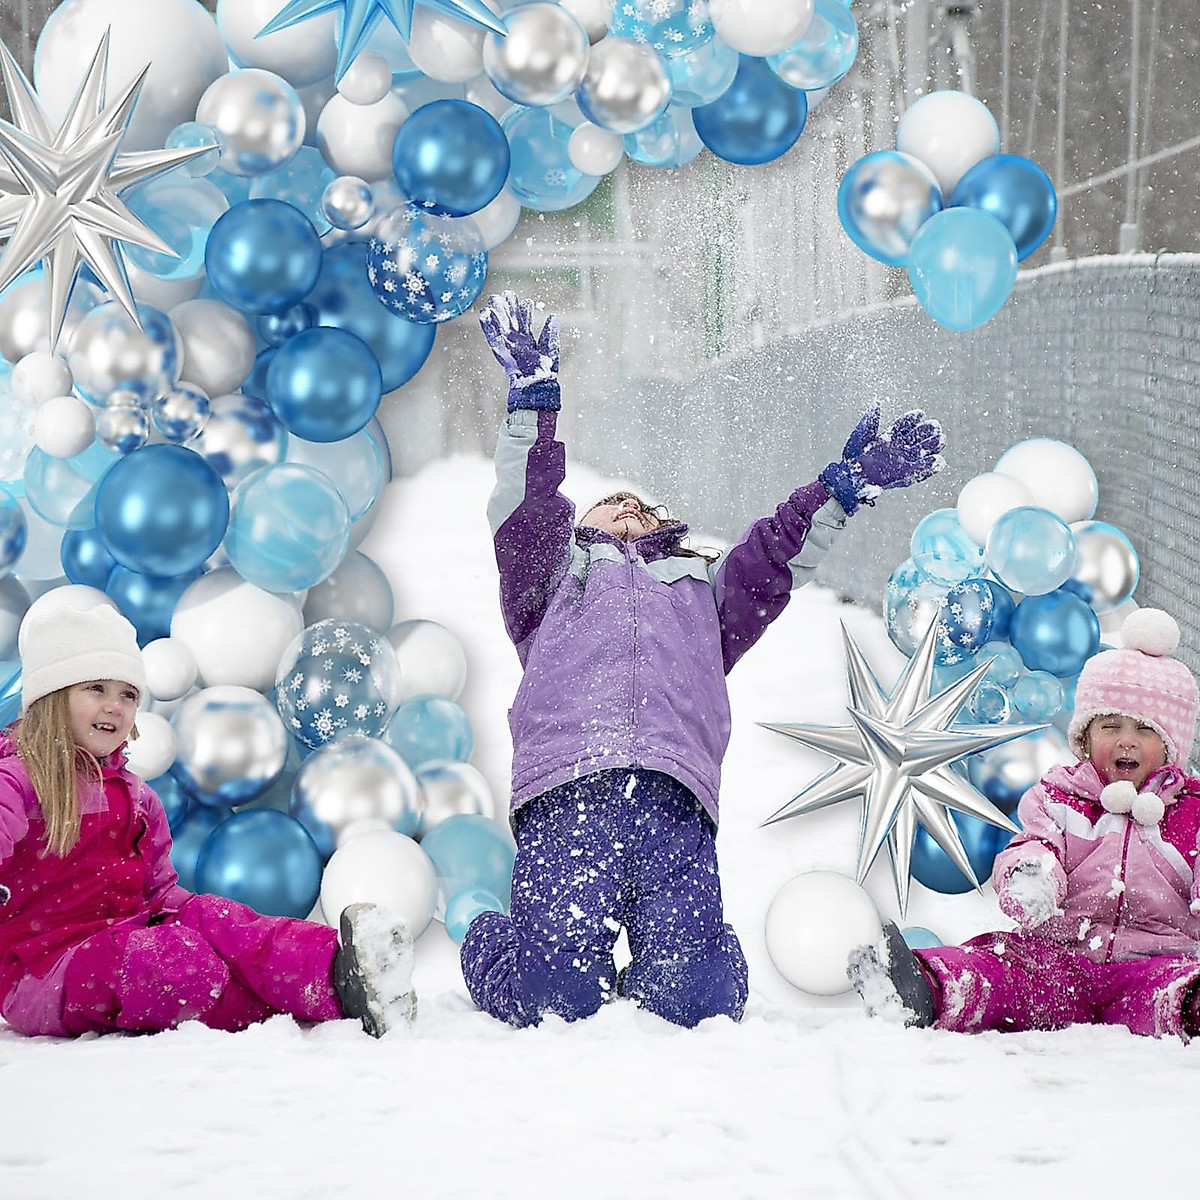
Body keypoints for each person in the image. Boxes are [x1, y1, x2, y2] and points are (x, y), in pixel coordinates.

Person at [460, 290, 946, 1028]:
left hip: (674, 799)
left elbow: (776, 555)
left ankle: (673, 966)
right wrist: (534, 402)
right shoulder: (549, 580)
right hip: (568, 793)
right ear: (580, 525)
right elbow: (527, 505)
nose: (628, 510)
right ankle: (496, 941)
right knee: (550, 996)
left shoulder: (703, 591)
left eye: (642, 508)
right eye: (611, 505)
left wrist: (841, 491)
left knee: (699, 1002)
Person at [0, 602, 415, 1039]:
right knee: (174, 962)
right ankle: (304, 1003)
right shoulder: (17, 779)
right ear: (52, 695)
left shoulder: (137, 797)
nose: (115, 707)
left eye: (128, 695)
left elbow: (158, 894)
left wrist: (206, 922)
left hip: (127, 934)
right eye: (97, 689)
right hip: (46, 970)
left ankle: (339, 971)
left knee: (219, 919)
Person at [849, 606, 1200, 1040]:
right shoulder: (1060, 797)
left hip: (1152, 962)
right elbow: (1035, 844)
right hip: (1059, 957)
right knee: (1003, 967)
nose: (1126, 741)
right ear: (1085, 738)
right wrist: (1032, 875)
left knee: (1172, 991)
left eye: (1145, 731)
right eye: (1111, 726)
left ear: (1170, 746)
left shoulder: (1190, 812)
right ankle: (927, 988)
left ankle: (1192, 1005)